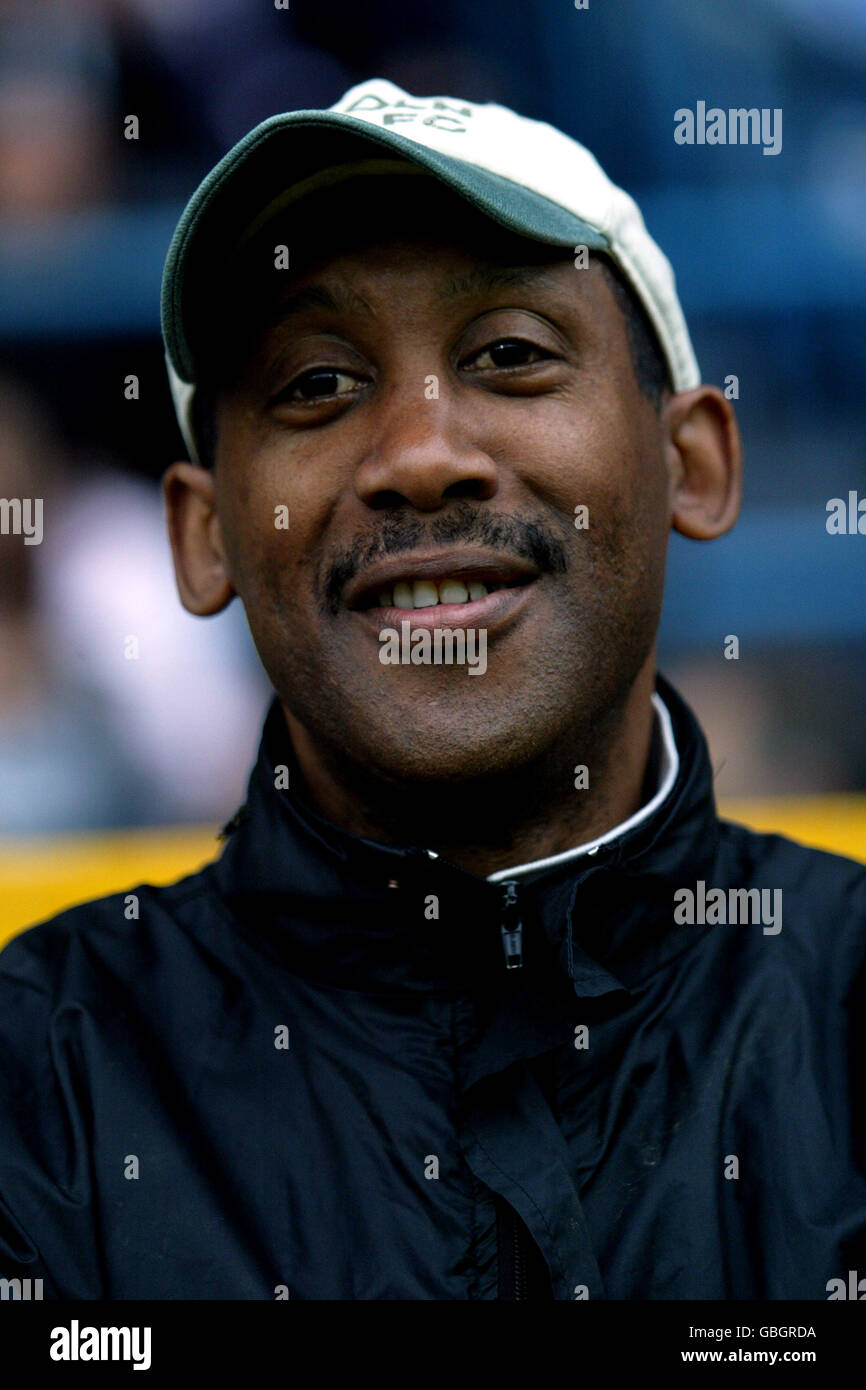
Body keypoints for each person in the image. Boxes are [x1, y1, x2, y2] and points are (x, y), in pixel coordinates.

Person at [1, 77, 864, 1302]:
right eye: (316, 384)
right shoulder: (38, 1092)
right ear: (203, 539)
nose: (418, 455)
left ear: (693, 462)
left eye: (509, 353)